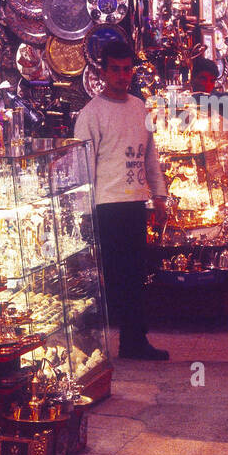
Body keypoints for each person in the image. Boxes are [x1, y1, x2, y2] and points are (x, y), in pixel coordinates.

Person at [74, 40, 170, 361]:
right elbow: (82, 166)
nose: (122, 75)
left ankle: (133, 341)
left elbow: (150, 157)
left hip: (135, 204)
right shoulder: (92, 114)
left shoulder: (140, 108)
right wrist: (83, 211)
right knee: (114, 278)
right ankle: (98, 346)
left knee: (135, 273)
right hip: (105, 206)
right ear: (102, 72)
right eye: (115, 69)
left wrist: (159, 195)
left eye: (127, 69)